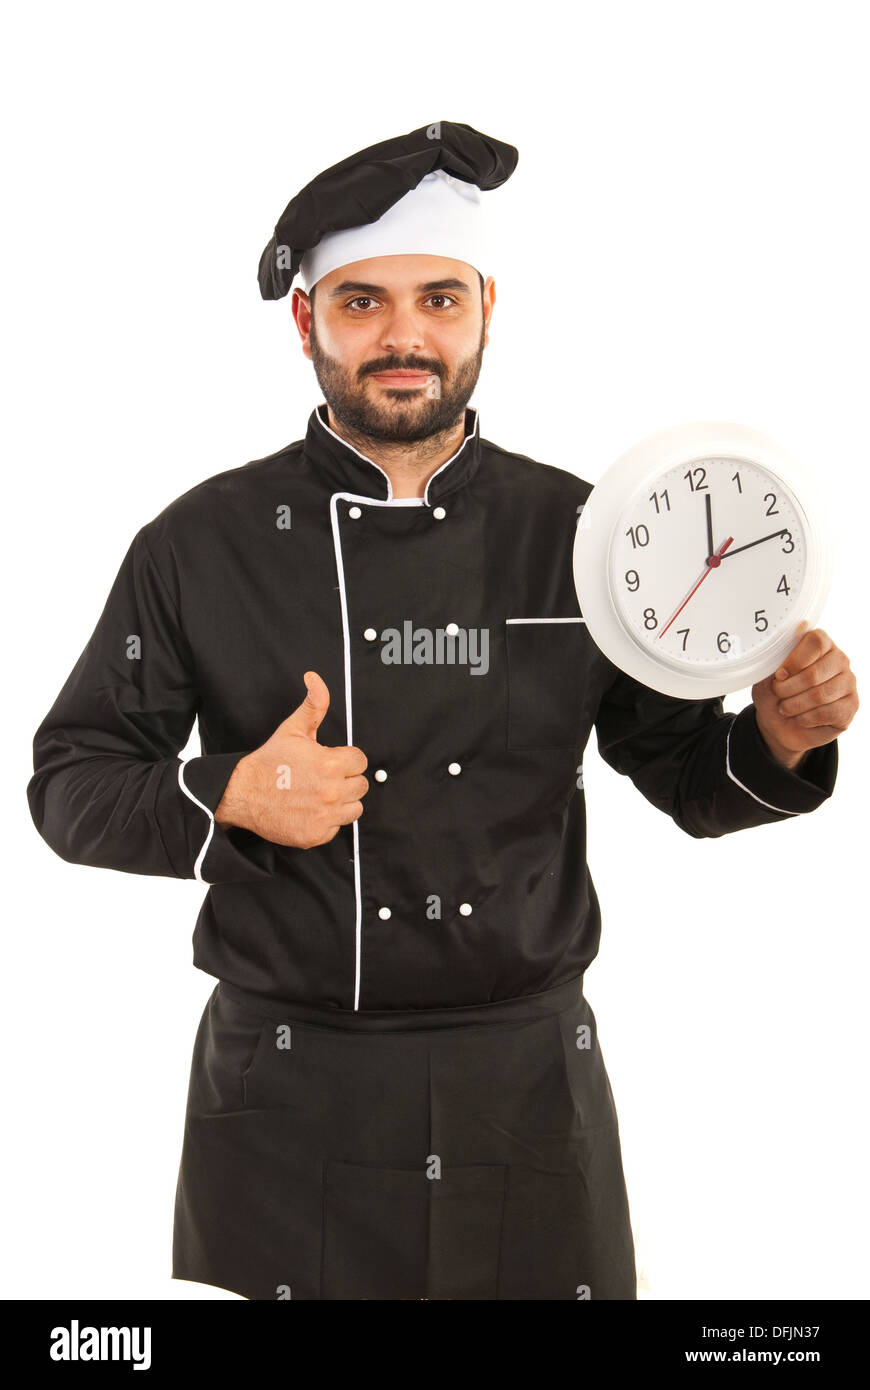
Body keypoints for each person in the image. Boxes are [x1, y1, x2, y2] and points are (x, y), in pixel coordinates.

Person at [26, 120, 858, 1301]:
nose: (405, 335)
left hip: (526, 1093)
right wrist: (235, 794)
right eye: (362, 302)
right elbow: (70, 783)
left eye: (438, 298)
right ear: (308, 321)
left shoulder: (582, 537)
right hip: (285, 1089)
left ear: (486, 310)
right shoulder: (199, 544)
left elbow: (684, 773)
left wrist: (778, 739)